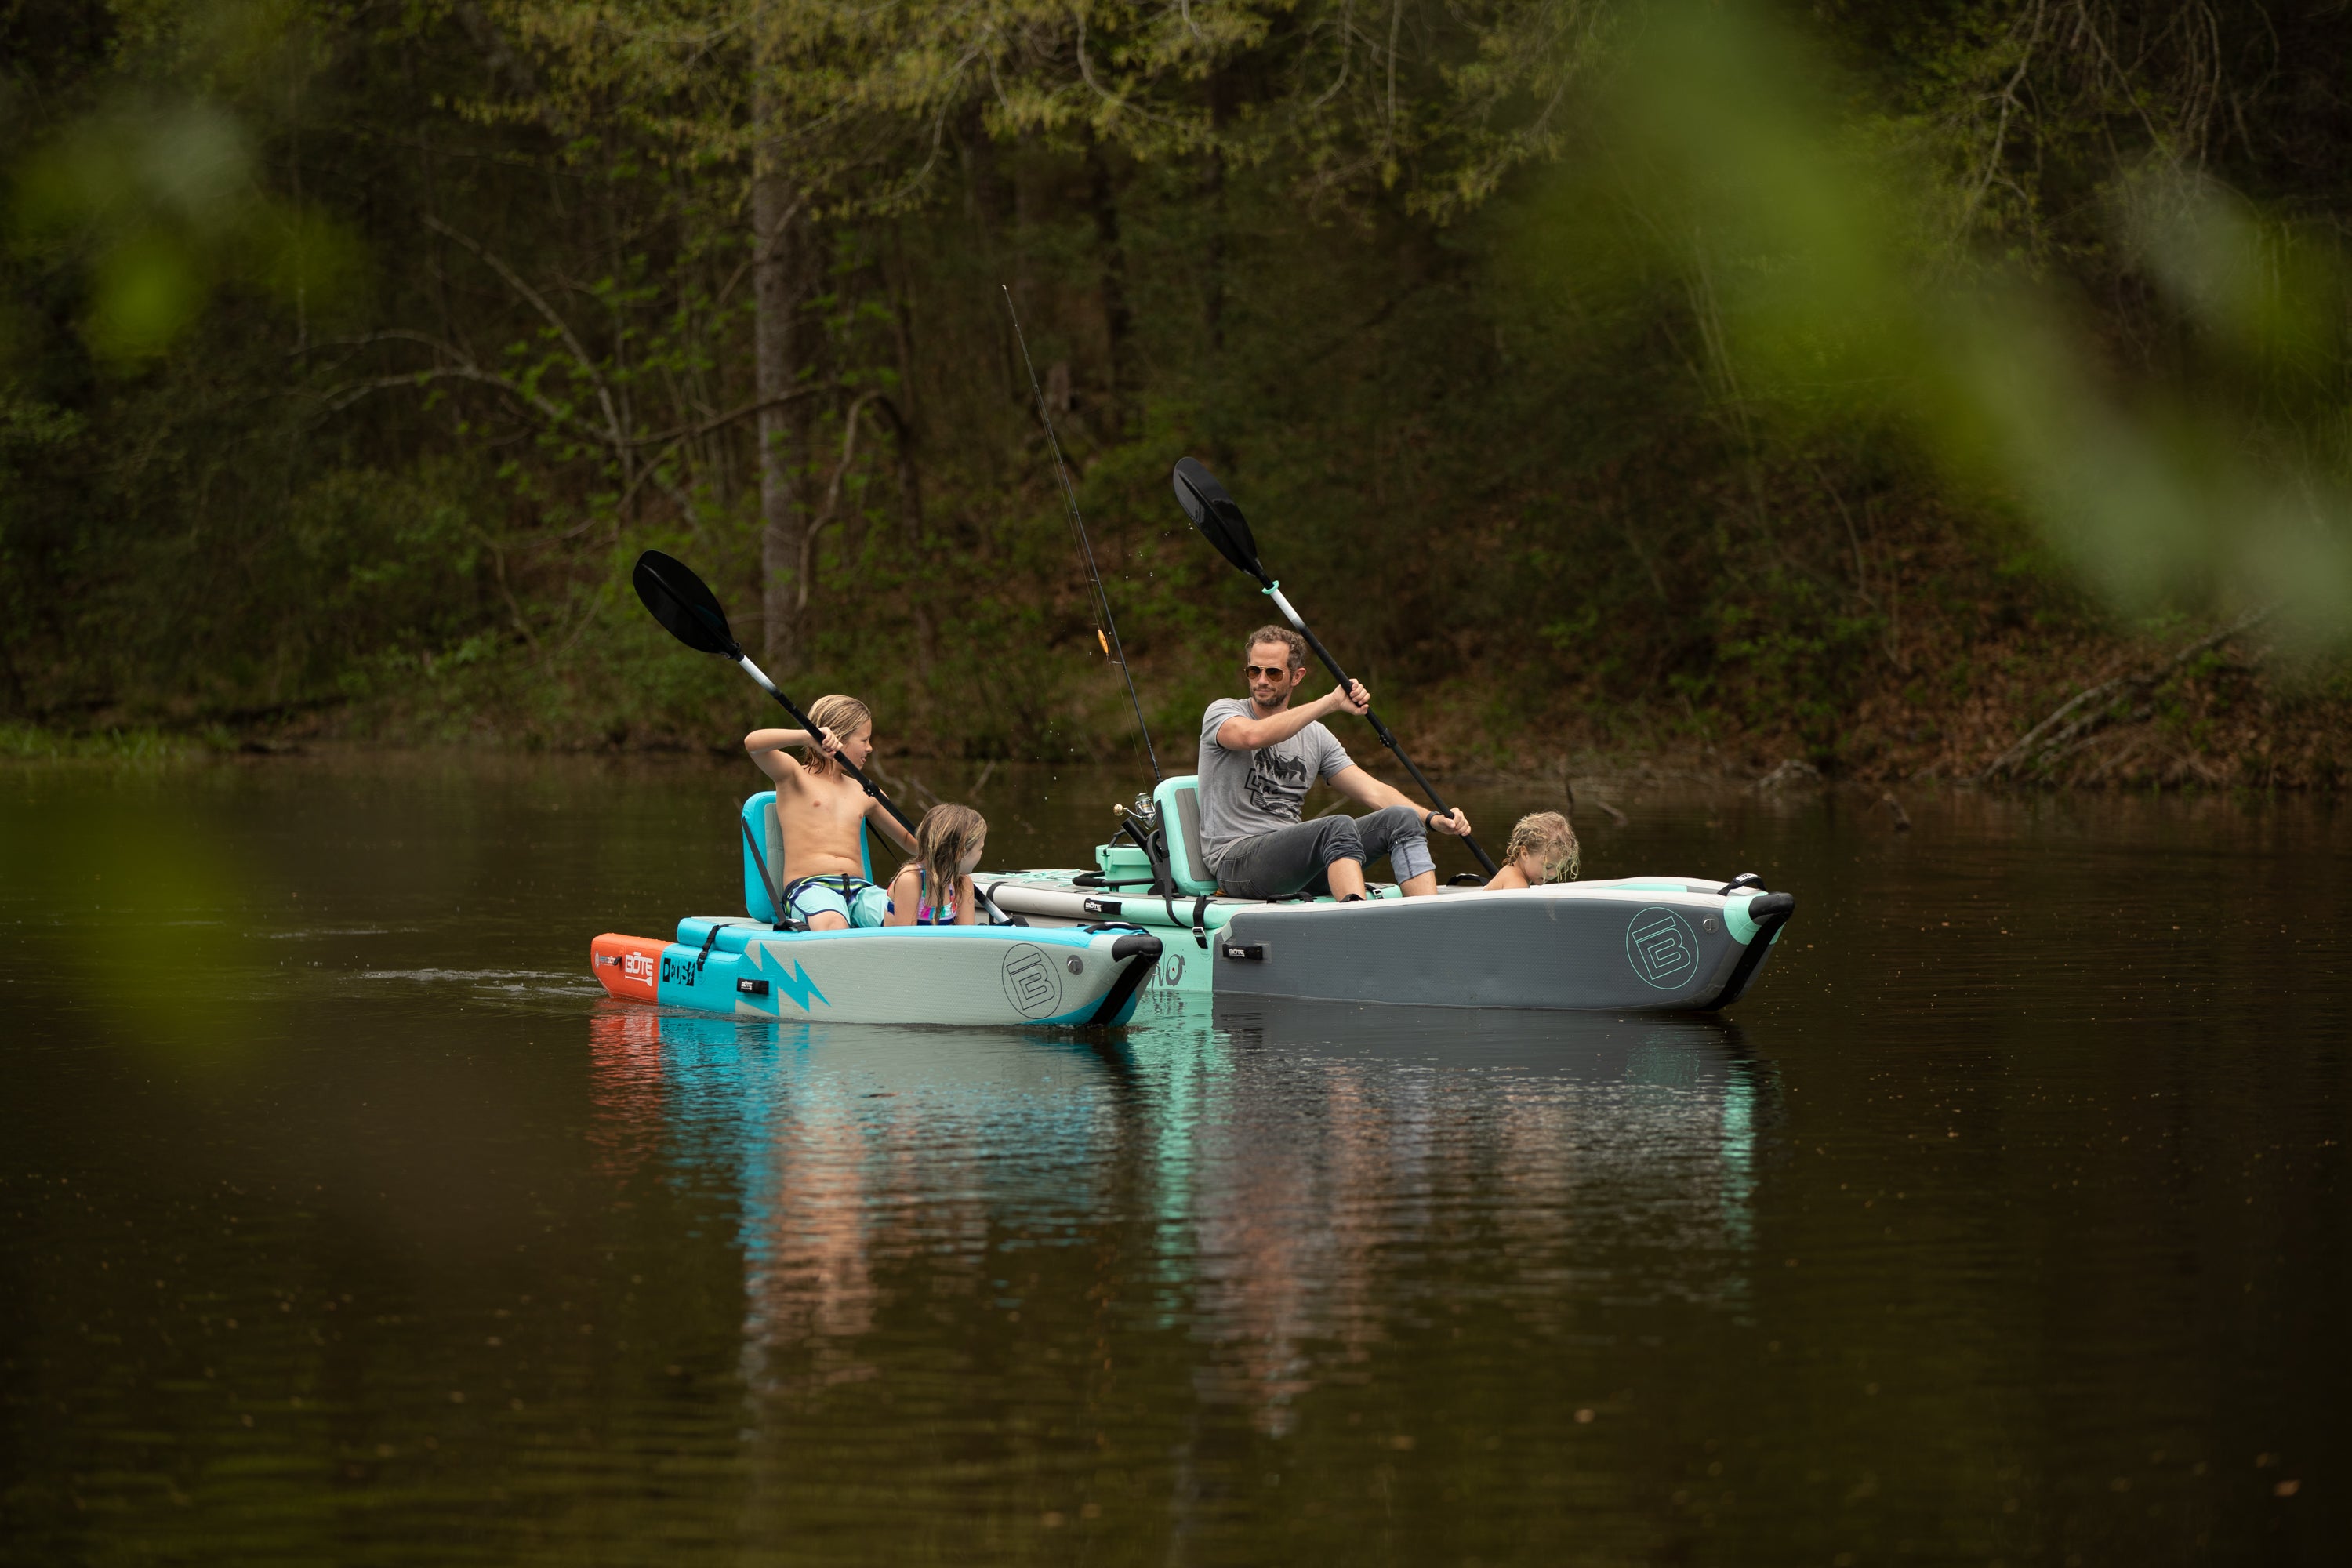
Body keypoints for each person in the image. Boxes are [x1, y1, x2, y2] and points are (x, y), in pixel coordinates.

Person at [1196, 626, 1472, 900]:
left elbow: (1372, 791)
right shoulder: (1223, 712)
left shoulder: (1315, 736)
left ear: (1296, 677)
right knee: (1337, 825)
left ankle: (1427, 915)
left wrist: (1431, 818)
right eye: (1253, 671)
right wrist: (1331, 702)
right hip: (1236, 863)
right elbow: (1251, 736)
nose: (1261, 680)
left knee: (1403, 818)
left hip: (1296, 866)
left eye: (1273, 672)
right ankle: (1354, 923)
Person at [744, 694, 917, 931]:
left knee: (906, 918)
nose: (870, 748)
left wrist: (947, 842)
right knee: (834, 923)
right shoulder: (794, 776)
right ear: (839, 736)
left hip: (860, 891)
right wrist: (807, 736)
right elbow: (753, 744)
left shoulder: (864, 790)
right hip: (810, 888)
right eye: (864, 740)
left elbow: (911, 841)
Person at [884, 803, 989, 927]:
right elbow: (906, 942)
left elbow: (966, 938)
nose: (982, 853)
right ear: (961, 853)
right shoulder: (911, 881)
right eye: (980, 848)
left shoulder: (963, 883)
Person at [1483, 811, 1581, 889]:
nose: (1553, 874)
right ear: (1525, 854)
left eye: (1559, 868)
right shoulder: (1517, 885)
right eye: (1548, 866)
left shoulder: (1511, 871)